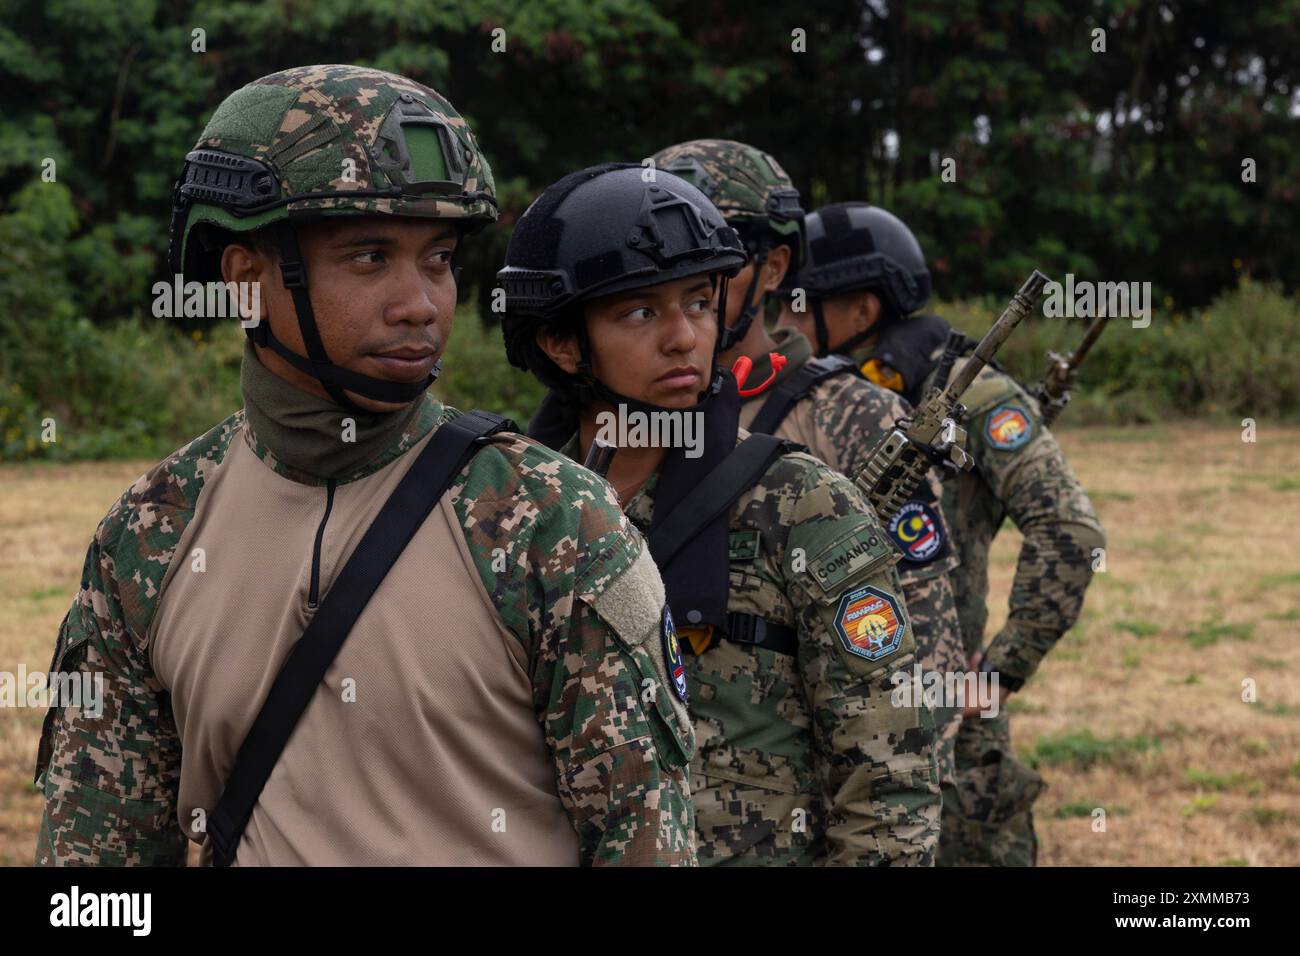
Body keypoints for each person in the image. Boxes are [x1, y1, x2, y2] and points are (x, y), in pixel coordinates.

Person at [34, 65, 695, 867]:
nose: (420, 302)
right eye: (371, 258)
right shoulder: (151, 534)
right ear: (247, 282)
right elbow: (99, 876)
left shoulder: (552, 522)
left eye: (440, 260)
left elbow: (646, 846)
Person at [500, 163, 940, 865]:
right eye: (641, 312)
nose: (684, 338)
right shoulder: (509, 513)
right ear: (559, 342)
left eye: (699, 304)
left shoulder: (801, 505)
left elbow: (889, 779)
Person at [779, 201, 1106, 865]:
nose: (783, 323)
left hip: (944, 717)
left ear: (861, 311)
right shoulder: (814, 404)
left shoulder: (970, 393)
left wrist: (1001, 669)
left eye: (798, 305)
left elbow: (1069, 528)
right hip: (833, 710)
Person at [650, 140, 967, 809]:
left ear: (775, 268)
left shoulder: (857, 419)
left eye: (721, 250)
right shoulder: (603, 424)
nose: (691, 275)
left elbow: (921, 679)